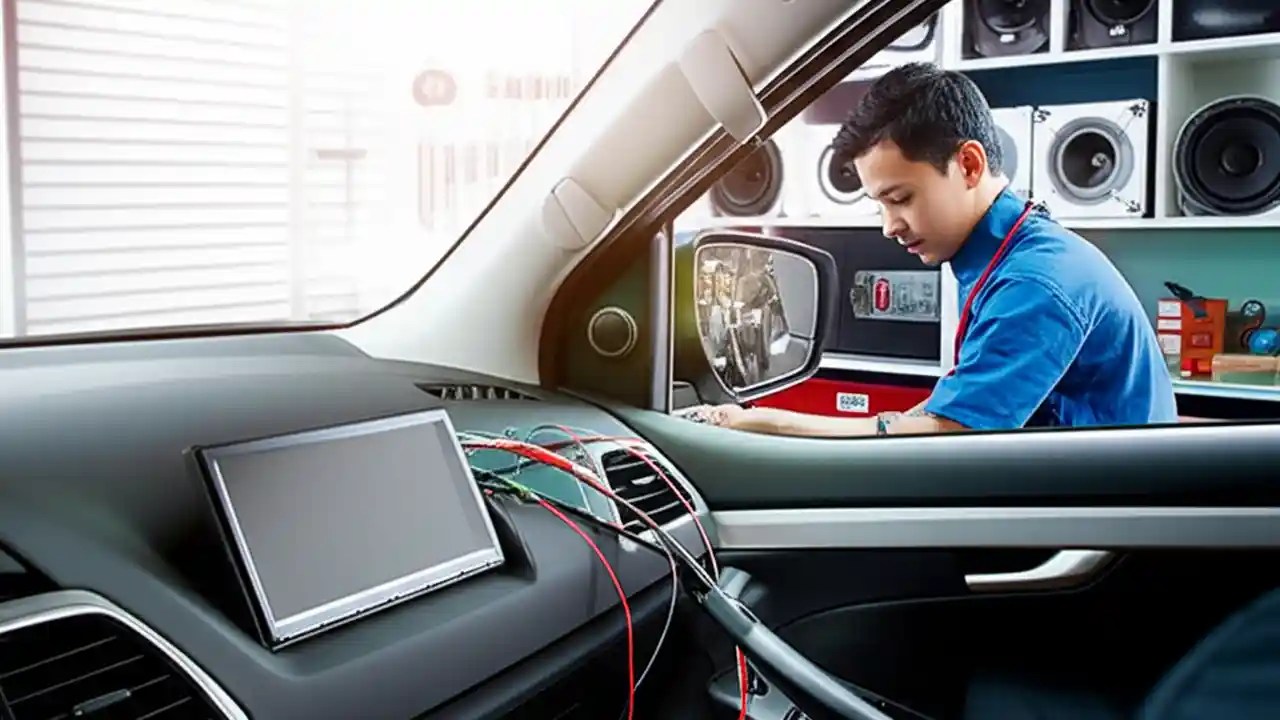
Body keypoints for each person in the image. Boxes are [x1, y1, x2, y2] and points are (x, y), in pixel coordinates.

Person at [688, 62, 1177, 437]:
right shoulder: (1018, 254)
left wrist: (759, 423)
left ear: (968, 164)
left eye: (900, 199)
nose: (888, 227)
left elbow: (946, 436)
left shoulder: (1034, 284)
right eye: (879, 204)